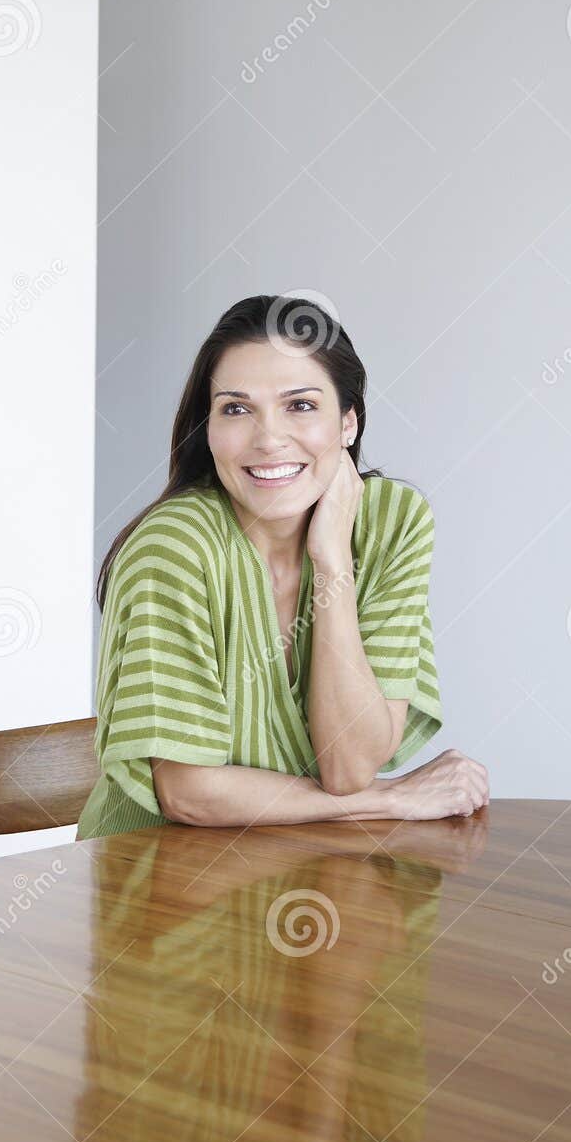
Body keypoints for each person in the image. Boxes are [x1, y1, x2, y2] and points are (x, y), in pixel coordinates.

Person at [75, 294, 488, 840]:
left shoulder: (393, 524)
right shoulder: (174, 548)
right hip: (161, 881)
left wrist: (333, 561)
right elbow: (188, 793)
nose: (268, 439)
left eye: (299, 405)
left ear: (348, 422)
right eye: (237, 409)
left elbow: (347, 767)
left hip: (311, 867)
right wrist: (391, 797)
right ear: (210, 429)